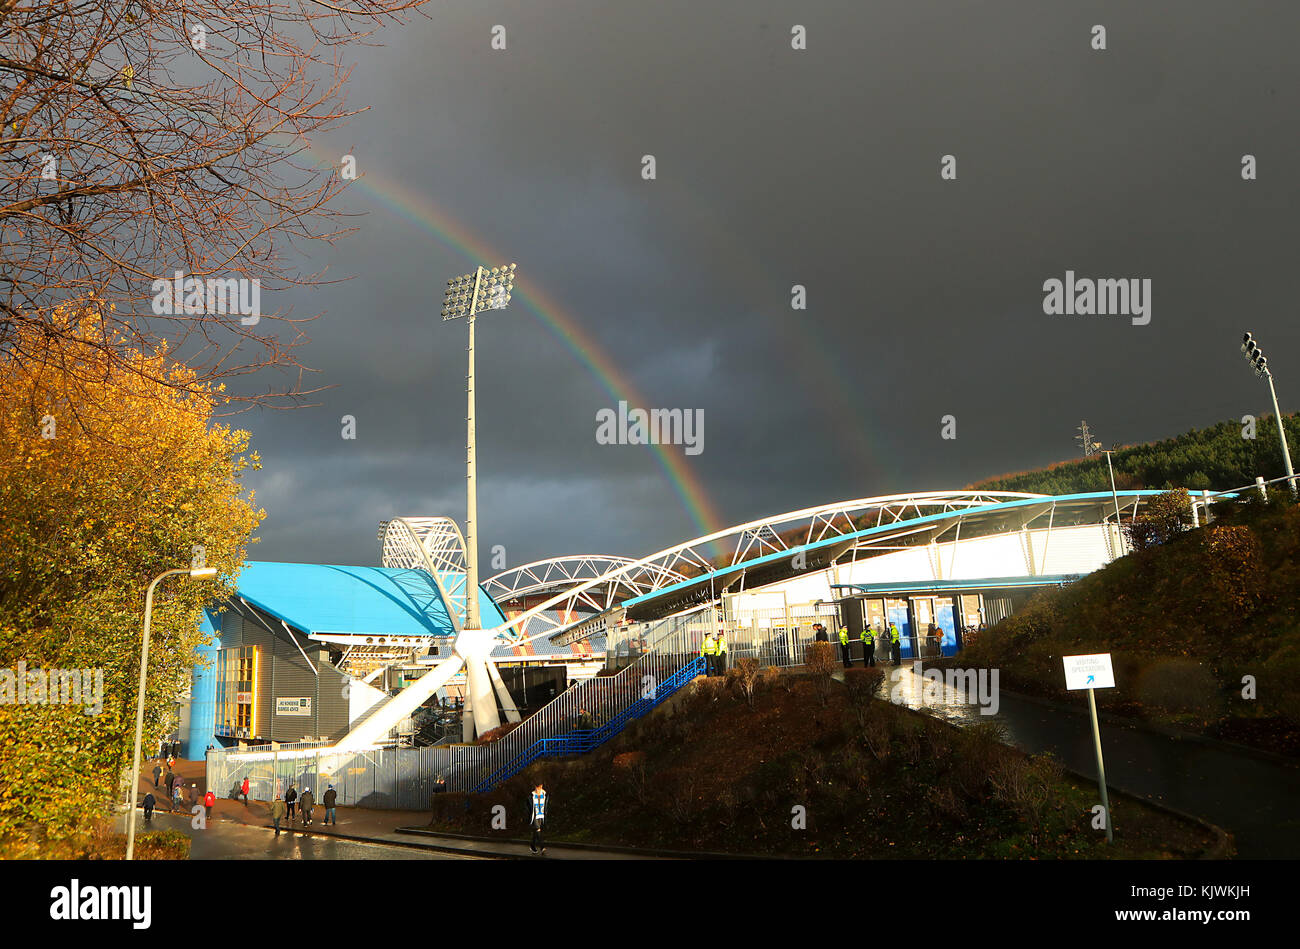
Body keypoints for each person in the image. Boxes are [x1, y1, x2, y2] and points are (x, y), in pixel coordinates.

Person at [530, 781, 547, 855]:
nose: (538, 789)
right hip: (534, 816)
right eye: (536, 788)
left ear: (541, 787)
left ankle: (532, 846)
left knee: (535, 832)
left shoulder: (544, 794)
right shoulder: (532, 795)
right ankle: (542, 847)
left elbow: (546, 804)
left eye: (539, 787)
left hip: (541, 815)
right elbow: (528, 806)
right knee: (538, 830)